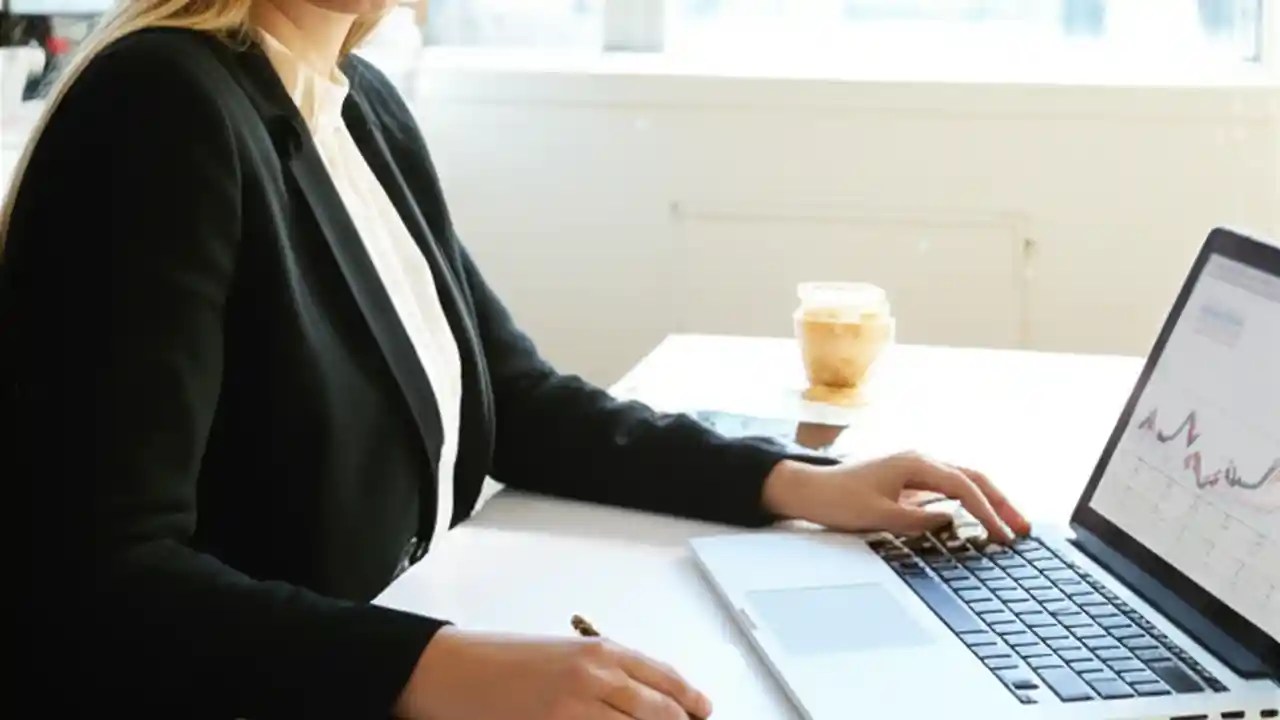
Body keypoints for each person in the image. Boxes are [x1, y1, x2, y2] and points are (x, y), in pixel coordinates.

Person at [0, 0, 1031, 716]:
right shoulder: (160, 109)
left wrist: (800, 482)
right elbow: (98, 575)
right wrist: (435, 668)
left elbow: (518, 401)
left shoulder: (353, 101)